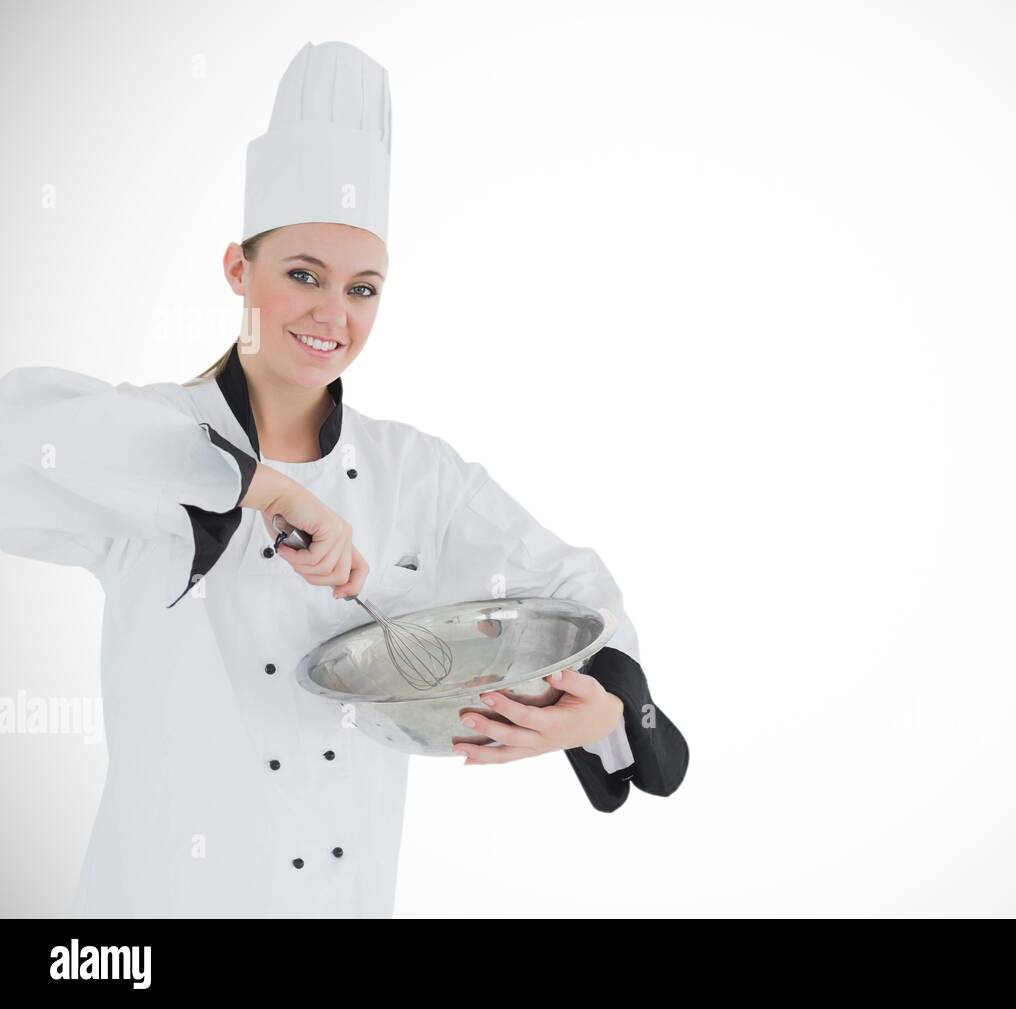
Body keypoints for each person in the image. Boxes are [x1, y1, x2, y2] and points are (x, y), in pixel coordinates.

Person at [0, 40, 687, 918]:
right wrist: (264, 488)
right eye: (301, 275)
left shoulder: (415, 474)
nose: (334, 314)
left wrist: (600, 711)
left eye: (363, 288)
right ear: (237, 270)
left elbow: (569, 587)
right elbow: (19, 436)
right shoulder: (147, 440)